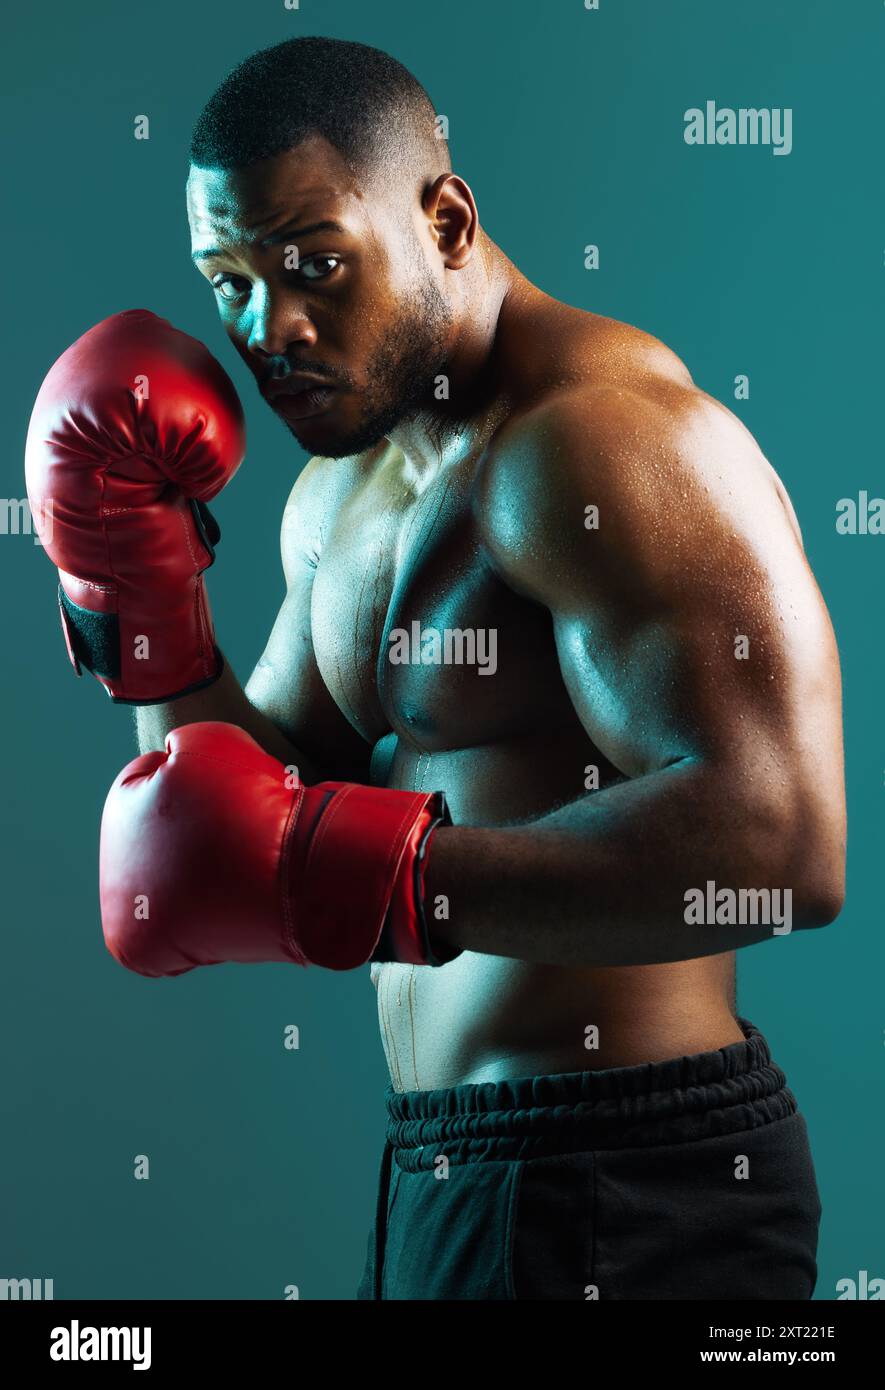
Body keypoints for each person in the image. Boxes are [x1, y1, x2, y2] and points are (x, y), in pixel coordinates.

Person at [25, 36, 844, 1300]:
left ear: (446, 221)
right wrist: (135, 597)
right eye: (229, 282)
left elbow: (784, 845)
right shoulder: (341, 495)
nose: (268, 327)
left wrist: (394, 877)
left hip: (633, 1175)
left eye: (313, 264)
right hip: (442, 1166)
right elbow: (228, 812)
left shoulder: (602, 443)